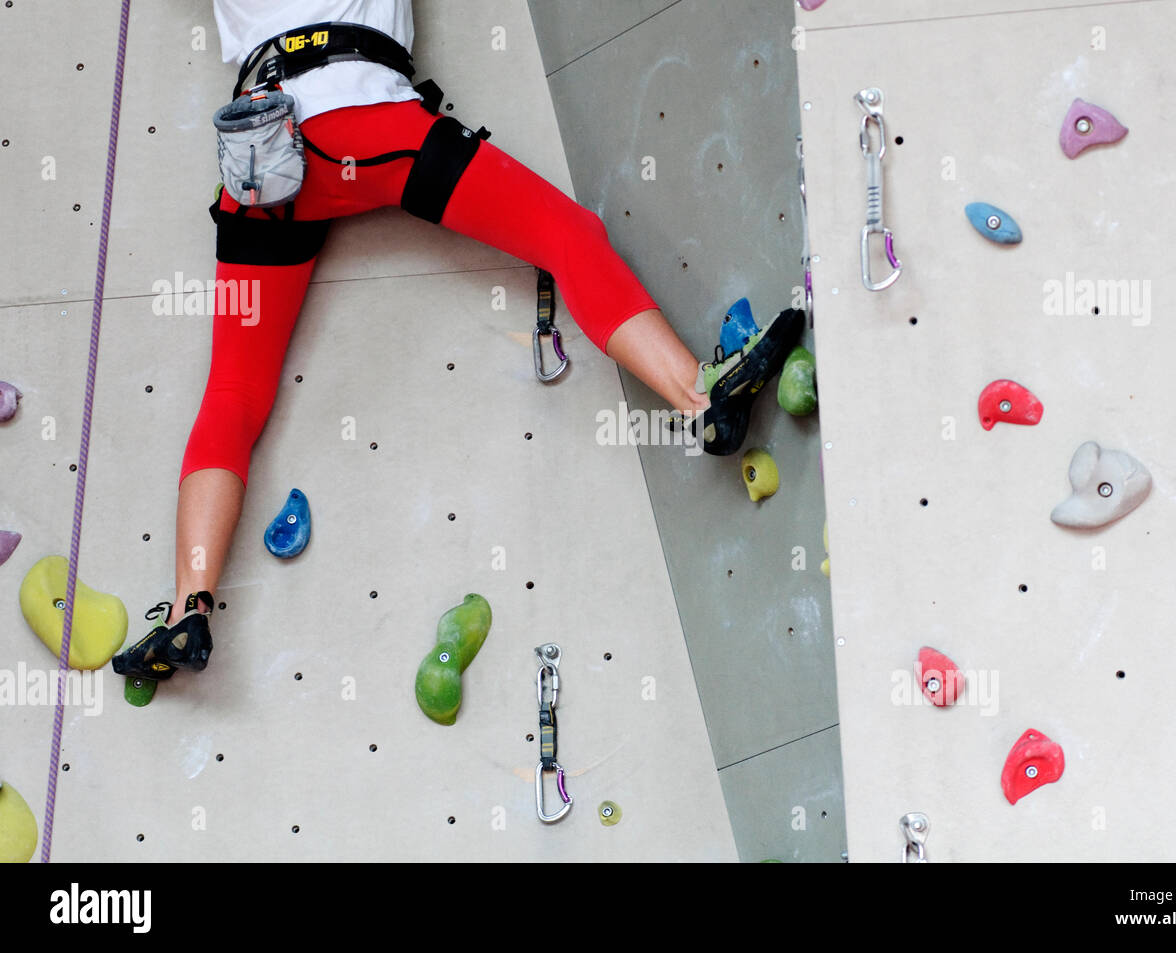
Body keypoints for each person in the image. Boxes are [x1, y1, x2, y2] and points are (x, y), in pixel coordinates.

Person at [112, 0, 802, 681]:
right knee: (566, 238)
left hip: (264, 158)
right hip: (365, 123)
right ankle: (698, 396)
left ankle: (186, 609)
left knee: (234, 394)